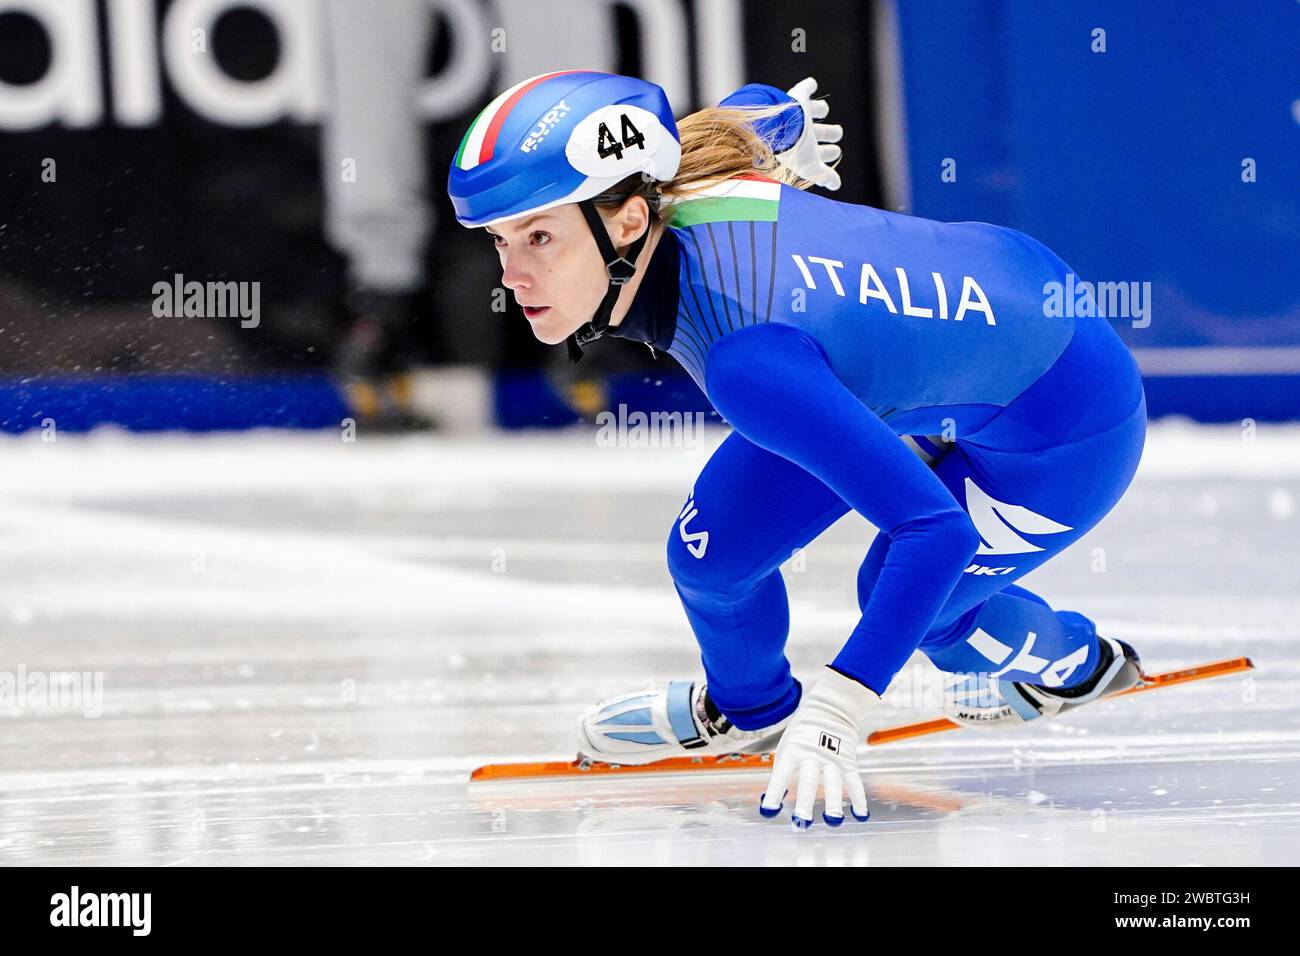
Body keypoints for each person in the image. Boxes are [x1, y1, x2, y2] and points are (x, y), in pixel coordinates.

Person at [446, 71, 1147, 829]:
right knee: (710, 558)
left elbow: (935, 530)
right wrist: (793, 127)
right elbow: (759, 108)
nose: (512, 277)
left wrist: (839, 713)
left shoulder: (746, 359)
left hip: (1068, 415)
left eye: (540, 237)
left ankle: (1072, 662)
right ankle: (750, 711)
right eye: (501, 241)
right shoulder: (687, 168)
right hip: (931, 344)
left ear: (625, 222)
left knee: (919, 598)